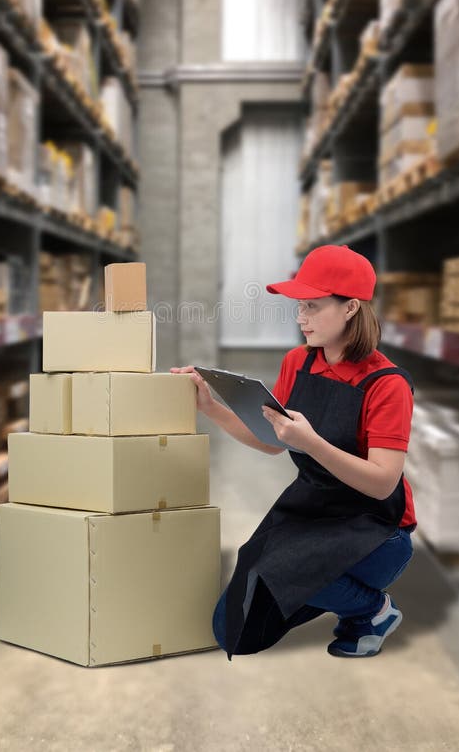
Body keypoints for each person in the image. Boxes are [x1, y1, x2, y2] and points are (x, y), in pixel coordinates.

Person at [170, 243, 417, 660]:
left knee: (294, 572)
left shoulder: (387, 384)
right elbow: (270, 441)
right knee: (232, 627)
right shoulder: (298, 363)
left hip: (377, 530)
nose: (300, 318)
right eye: (299, 307)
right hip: (313, 514)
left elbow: (381, 484)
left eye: (312, 307)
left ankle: (374, 610)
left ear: (351, 308)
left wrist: (312, 444)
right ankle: (351, 604)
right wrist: (210, 406)